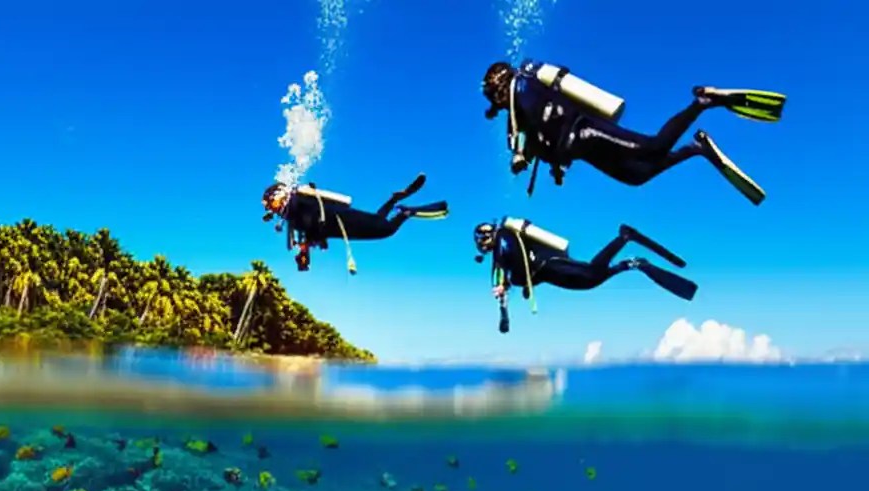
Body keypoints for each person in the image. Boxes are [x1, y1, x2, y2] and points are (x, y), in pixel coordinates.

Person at [481, 60, 787, 205]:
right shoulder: (519, 112)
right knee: (636, 177)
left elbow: (533, 131)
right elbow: (535, 141)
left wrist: (522, 153)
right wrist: (531, 158)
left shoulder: (523, 87)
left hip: (585, 132)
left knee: (654, 147)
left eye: (494, 96)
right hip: (583, 151)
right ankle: (696, 148)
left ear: (499, 87)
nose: (496, 102)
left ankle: (703, 102)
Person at [474, 219, 698, 334]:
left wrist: (506, 288)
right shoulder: (502, 251)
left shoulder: (504, 241)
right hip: (552, 271)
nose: (483, 246)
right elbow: (512, 270)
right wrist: (507, 294)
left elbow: (513, 267)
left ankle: (624, 238)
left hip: (552, 266)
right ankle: (630, 263)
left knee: (591, 275)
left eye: (482, 241)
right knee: (591, 279)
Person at [261, 173, 449, 273]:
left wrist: (305, 251)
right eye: (270, 207)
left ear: (281, 196)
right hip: (344, 223)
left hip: (345, 221)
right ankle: (393, 200)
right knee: (378, 221)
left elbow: (310, 224)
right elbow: (309, 232)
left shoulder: (296, 204)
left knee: (386, 229)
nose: (272, 209)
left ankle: (406, 212)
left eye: (272, 204)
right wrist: (304, 255)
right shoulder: (293, 216)